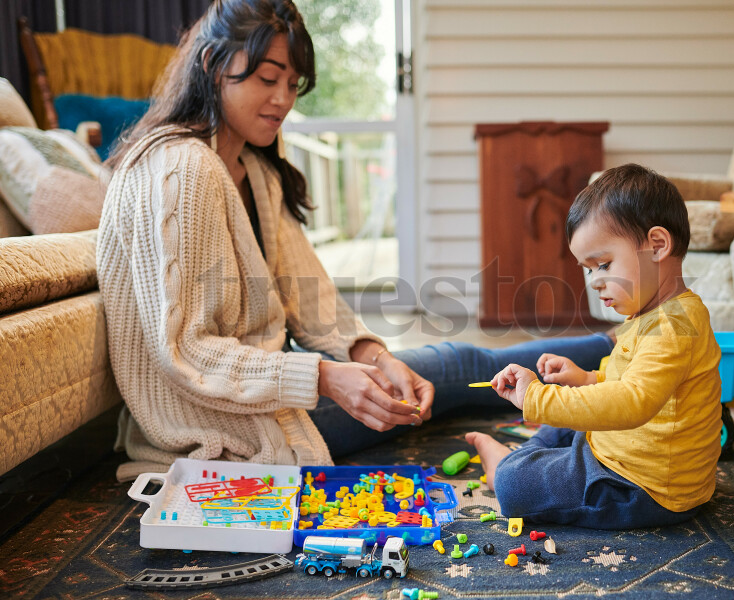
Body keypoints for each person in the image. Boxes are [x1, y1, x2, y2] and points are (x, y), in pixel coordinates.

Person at [98, 0, 613, 482]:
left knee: (441, 369)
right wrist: (324, 377)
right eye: (267, 78)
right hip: (219, 425)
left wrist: (374, 358)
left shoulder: (254, 170)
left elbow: (313, 300)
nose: (283, 100)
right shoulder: (180, 170)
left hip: (266, 398)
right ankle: (618, 353)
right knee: (457, 368)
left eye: (293, 83)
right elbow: (187, 352)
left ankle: (621, 354)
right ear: (213, 63)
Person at [466, 164, 722, 529]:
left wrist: (536, 398)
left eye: (603, 265)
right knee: (563, 426)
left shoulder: (674, 324)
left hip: (644, 487)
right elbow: (629, 381)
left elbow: (633, 402)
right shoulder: (649, 313)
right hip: (621, 449)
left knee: (514, 483)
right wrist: (587, 378)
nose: (596, 282)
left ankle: (506, 468)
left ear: (658, 246)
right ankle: (528, 457)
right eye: (589, 271)